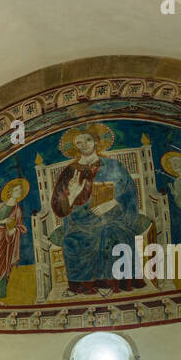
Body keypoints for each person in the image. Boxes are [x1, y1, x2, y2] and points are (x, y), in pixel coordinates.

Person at [48, 123, 151, 297]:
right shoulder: (70, 171)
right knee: (73, 240)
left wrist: (112, 203)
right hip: (79, 219)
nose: (84, 145)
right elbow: (59, 206)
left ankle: (108, 282)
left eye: (88, 140)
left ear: (96, 141)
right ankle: (80, 286)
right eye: (79, 142)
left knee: (110, 231)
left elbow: (129, 193)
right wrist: (71, 195)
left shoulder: (112, 166)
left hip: (113, 216)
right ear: (75, 146)